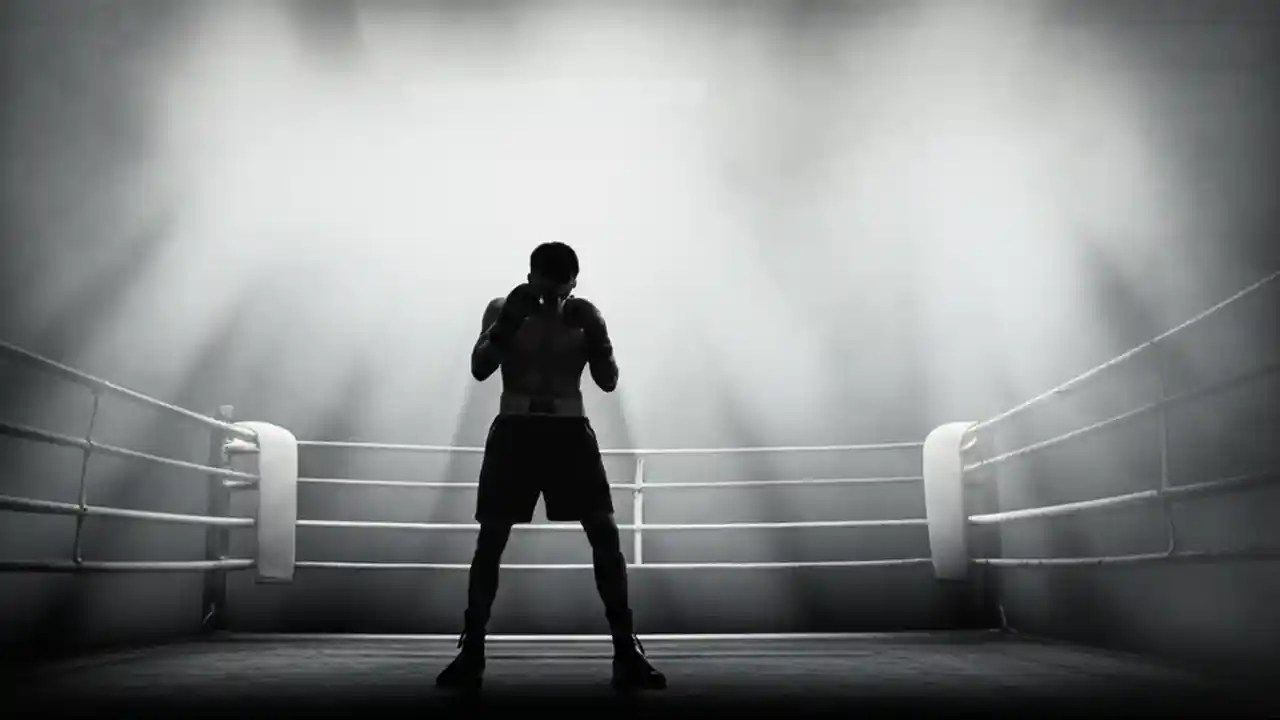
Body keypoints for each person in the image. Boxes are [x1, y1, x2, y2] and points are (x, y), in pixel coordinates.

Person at [436, 242, 666, 691]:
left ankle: (625, 651)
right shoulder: (504, 308)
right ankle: (472, 651)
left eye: (558, 291)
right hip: (516, 428)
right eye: (542, 289)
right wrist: (507, 322)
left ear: (573, 284)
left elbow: (608, 380)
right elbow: (481, 368)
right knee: (492, 538)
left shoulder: (584, 316)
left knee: (605, 534)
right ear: (529, 278)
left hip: (568, 430)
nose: (549, 300)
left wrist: (597, 333)